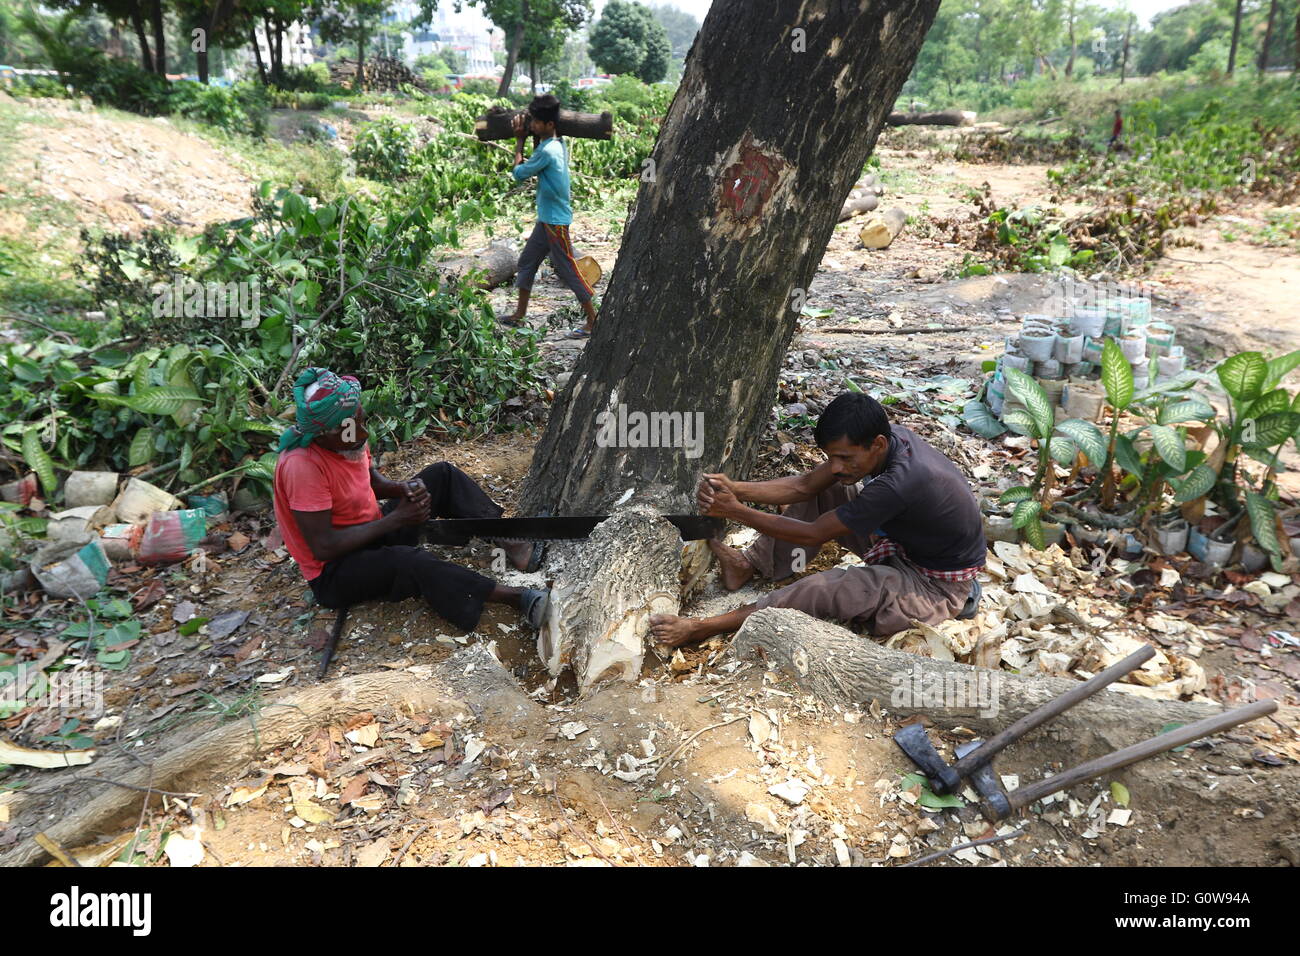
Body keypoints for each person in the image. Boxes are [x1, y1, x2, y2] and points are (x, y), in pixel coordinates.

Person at [649, 392, 986, 648]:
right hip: (907, 550)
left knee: (825, 587)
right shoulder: (885, 438)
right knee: (828, 491)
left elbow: (812, 534)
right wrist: (736, 488)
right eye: (831, 457)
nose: (836, 466)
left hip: (934, 588)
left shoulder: (900, 482)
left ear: (877, 444)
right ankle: (748, 563)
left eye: (844, 458)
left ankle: (704, 626)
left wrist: (735, 510)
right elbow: (805, 485)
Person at [272, 367, 550, 634]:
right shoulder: (302, 466)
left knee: (442, 474)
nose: (363, 433)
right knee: (411, 561)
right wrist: (396, 519)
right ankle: (514, 598)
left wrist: (404, 489)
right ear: (326, 434)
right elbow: (324, 547)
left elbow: (368, 482)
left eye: (361, 420)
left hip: (370, 532)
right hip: (336, 570)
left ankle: (511, 543)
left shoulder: (349, 433)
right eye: (353, 427)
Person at [499, 93, 598, 339]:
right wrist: (531, 135)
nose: (532, 125)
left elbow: (519, 173)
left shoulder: (548, 152)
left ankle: (594, 321)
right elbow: (539, 151)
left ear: (550, 125)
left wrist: (519, 140)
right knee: (526, 262)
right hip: (547, 219)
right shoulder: (556, 144)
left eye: (536, 122)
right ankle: (519, 314)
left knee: (569, 270)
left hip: (555, 222)